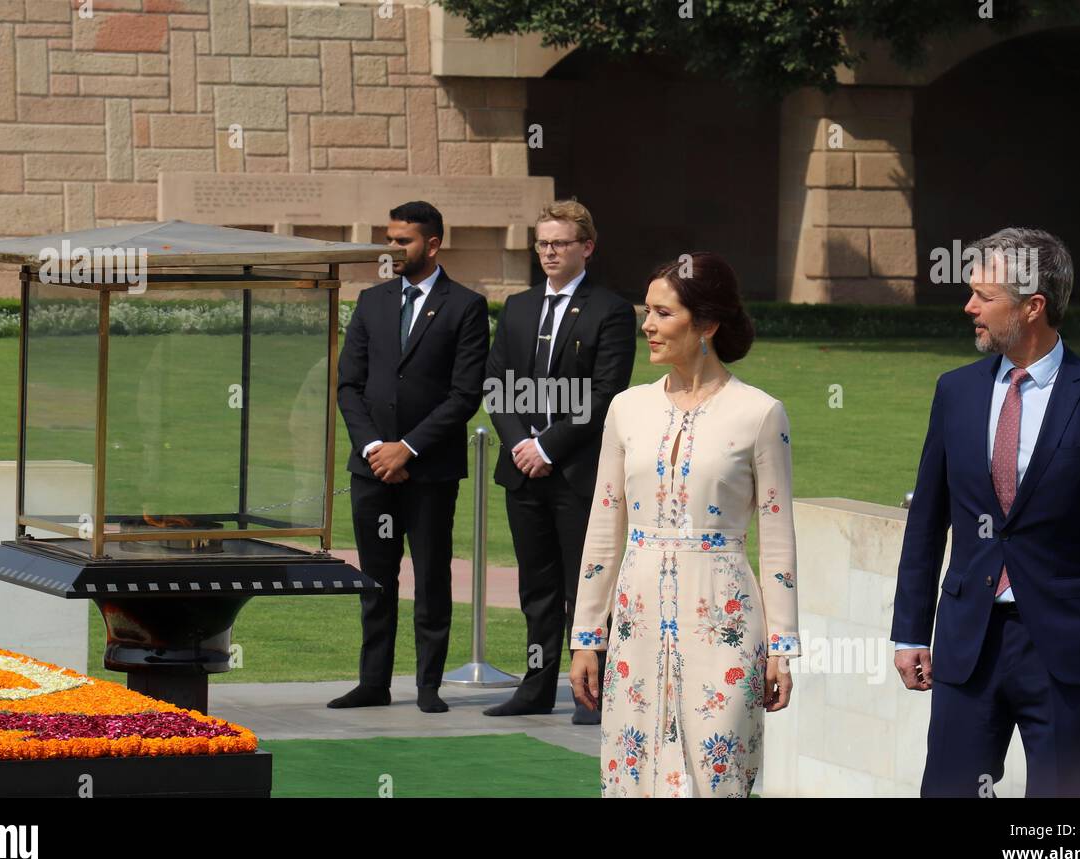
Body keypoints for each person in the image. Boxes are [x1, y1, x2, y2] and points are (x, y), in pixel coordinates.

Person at [892, 227, 1080, 797]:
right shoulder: (955, 392)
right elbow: (927, 523)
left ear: (1032, 306)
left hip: (1063, 653)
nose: (969, 307)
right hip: (967, 645)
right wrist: (908, 632)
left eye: (984, 297)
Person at [568, 251, 799, 797]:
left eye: (662, 313)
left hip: (726, 619)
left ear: (707, 325)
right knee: (635, 769)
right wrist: (585, 636)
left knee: (719, 773)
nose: (646, 325)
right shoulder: (627, 408)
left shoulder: (760, 413)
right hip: (637, 618)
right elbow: (604, 525)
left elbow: (778, 536)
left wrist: (782, 647)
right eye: (645, 311)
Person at [329, 200, 490, 714]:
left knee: (431, 576)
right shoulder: (371, 301)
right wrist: (376, 448)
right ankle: (372, 683)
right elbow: (348, 385)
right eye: (389, 238)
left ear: (433, 243)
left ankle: (428, 687)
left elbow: (465, 394)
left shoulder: (465, 307)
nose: (392, 248)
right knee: (376, 580)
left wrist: (409, 448)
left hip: (430, 472)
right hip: (372, 470)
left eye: (403, 241)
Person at [482, 199, 636, 723]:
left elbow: (606, 393)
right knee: (537, 586)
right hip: (522, 471)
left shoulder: (609, 310)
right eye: (543, 243)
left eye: (560, 243)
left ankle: (593, 694)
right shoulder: (520, 307)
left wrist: (547, 446)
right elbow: (497, 383)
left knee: (585, 584)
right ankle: (536, 686)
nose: (549, 252)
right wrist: (522, 446)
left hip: (578, 473)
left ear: (586, 248)